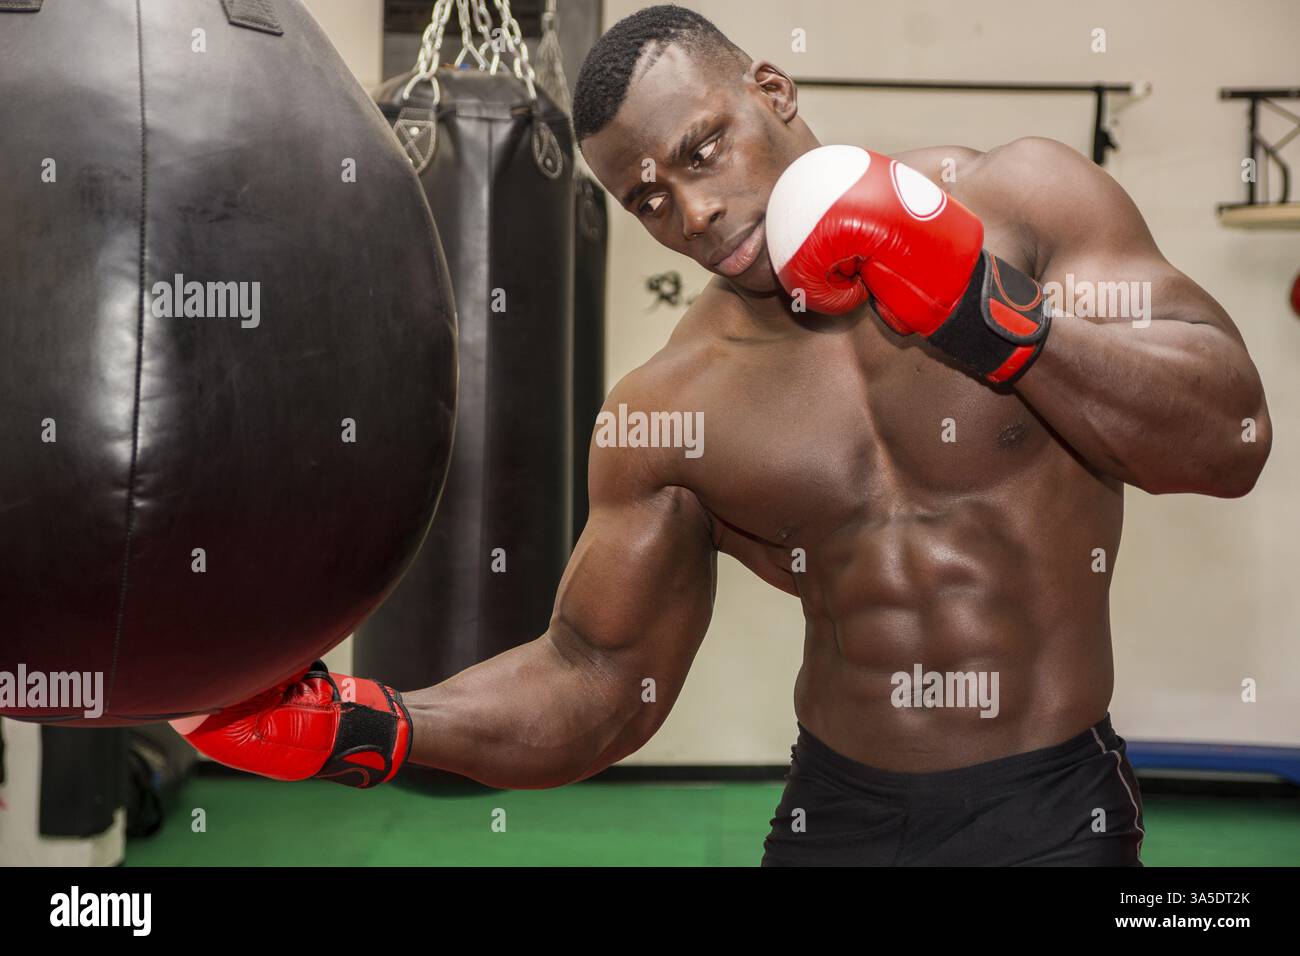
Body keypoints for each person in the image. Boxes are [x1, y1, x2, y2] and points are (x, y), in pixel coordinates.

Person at [175, 5, 1270, 866]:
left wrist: (987, 315)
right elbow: (597, 678)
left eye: (702, 150)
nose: (690, 213)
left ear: (774, 91)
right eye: (647, 198)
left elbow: (1229, 433)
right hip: (840, 814)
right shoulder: (672, 407)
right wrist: (375, 727)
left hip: (1050, 809)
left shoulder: (1021, 202)